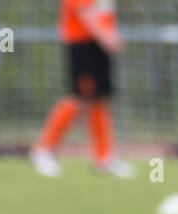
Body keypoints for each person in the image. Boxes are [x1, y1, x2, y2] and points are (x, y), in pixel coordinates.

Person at [30, 0, 132, 179]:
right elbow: (84, 11)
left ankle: (104, 158)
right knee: (79, 98)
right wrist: (106, 36)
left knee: (100, 100)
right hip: (83, 43)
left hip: (98, 43)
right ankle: (43, 151)